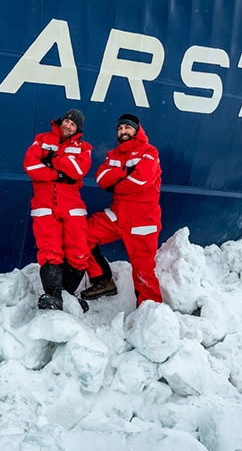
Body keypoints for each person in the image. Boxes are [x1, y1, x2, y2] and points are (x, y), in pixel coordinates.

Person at [81, 113, 163, 305]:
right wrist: (125, 173)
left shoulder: (149, 152)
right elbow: (101, 179)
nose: (123, 131)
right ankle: (103, 280)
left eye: (127, 128)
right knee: (81, 236)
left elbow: (140, 180)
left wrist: (116, 184)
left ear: (137, 129)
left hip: (143, 219)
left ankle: (151, 312)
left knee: (143, 271)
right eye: (120, 128)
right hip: (117, 214)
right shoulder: (114, 155)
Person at [23, 109, 93, 311]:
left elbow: (79, 170)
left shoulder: (84, 147)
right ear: (62, 121)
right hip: (44, 205)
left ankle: (67, 294)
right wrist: (60, 175)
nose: (68, 126)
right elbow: (31, 166)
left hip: (72, 207)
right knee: (49, 251)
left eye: (73, 124)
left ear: (78, 129)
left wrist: (52, 159)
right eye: (67, 121)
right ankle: (53, 296)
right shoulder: (42, 139)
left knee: (79, 253)